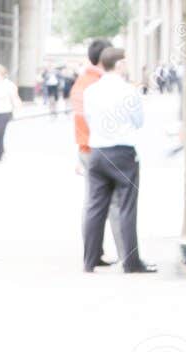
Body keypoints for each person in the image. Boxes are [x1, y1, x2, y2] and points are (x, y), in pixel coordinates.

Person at [82, 45, 155, 274]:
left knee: (95, 207)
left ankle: (90, 260)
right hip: (122, 152)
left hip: (97, 151)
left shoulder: (90, 91)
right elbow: (138, 120)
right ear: (120, 64)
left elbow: (88, 118)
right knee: (126, 208)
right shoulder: (128, 91)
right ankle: (131, 262)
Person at [71, 39, 114, 267]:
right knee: (113, 204)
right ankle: (128, 255)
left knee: (92, 203)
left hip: (86, 147)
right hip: (100, 147)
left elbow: (79, 118)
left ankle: (92, 253)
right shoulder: (98, 83)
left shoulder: (82, 81)